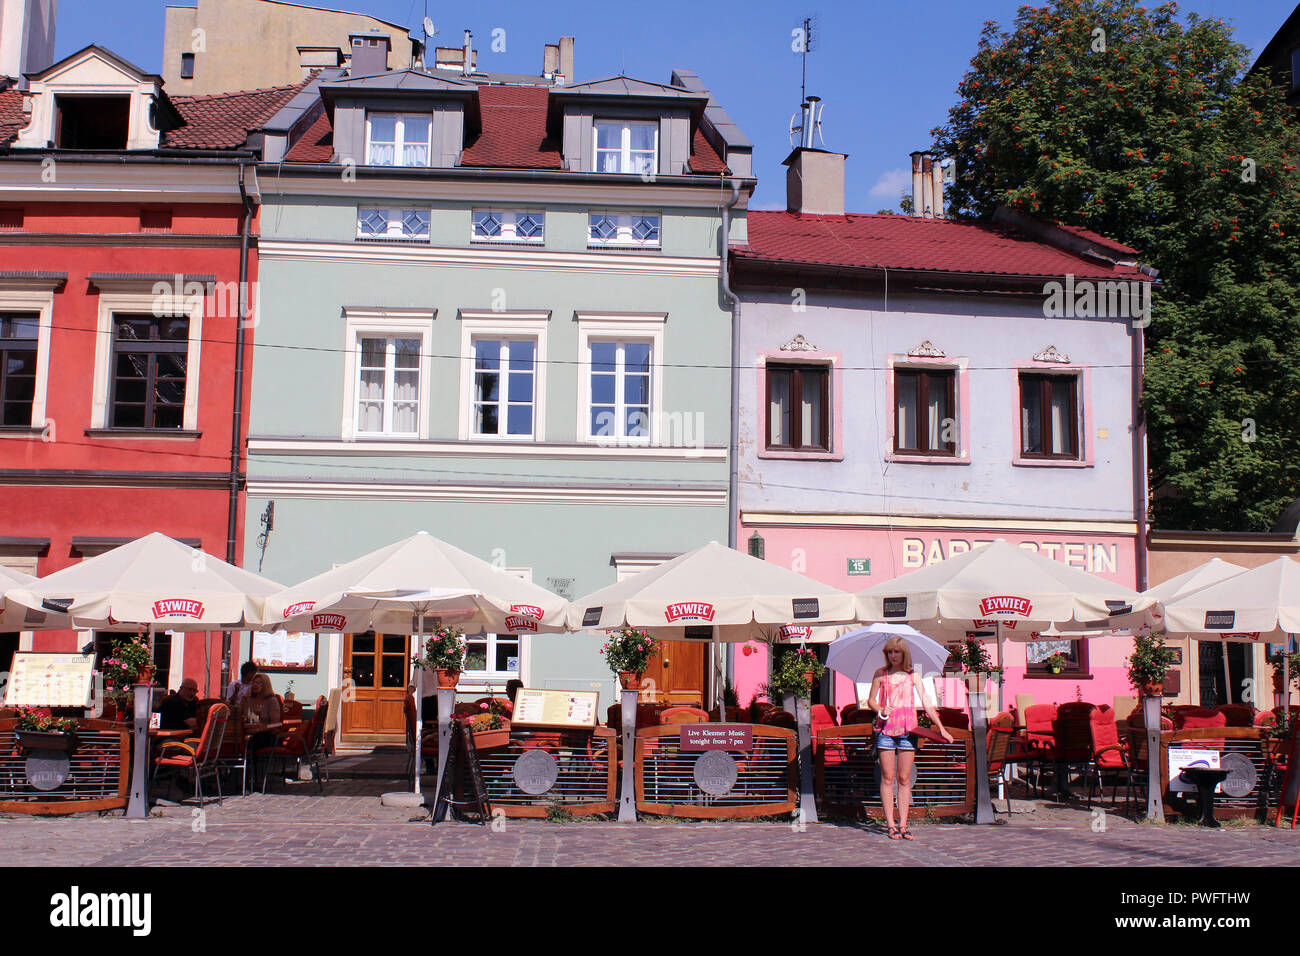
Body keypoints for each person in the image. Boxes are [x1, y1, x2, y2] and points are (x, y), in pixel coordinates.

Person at [867, 637, 952, 841]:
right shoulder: (881, 674)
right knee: (887, 778)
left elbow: (927, 704)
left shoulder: (913, 676)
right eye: (890, 652)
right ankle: (890, 825)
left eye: (897, 652)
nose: (893, 656)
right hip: (885, 730)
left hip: (908, 730)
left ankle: (904, 824)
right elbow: (870, 700)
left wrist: (941, 729)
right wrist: (880, 709)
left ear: (904, 654)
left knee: (904, 779)